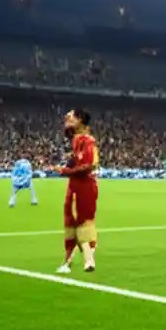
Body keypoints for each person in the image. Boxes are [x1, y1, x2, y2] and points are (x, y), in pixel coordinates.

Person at [56, 108, 99, 274]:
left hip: (84, 186)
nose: (67, 117)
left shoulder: (87, 140)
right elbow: (67, 130)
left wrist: (65, 171)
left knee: (82, 223)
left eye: (71, 115)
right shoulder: (76, 138)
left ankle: (88, 259)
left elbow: (89, 166)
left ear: (80, 119)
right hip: (75, 186)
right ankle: (71, 262)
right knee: (71, 225)